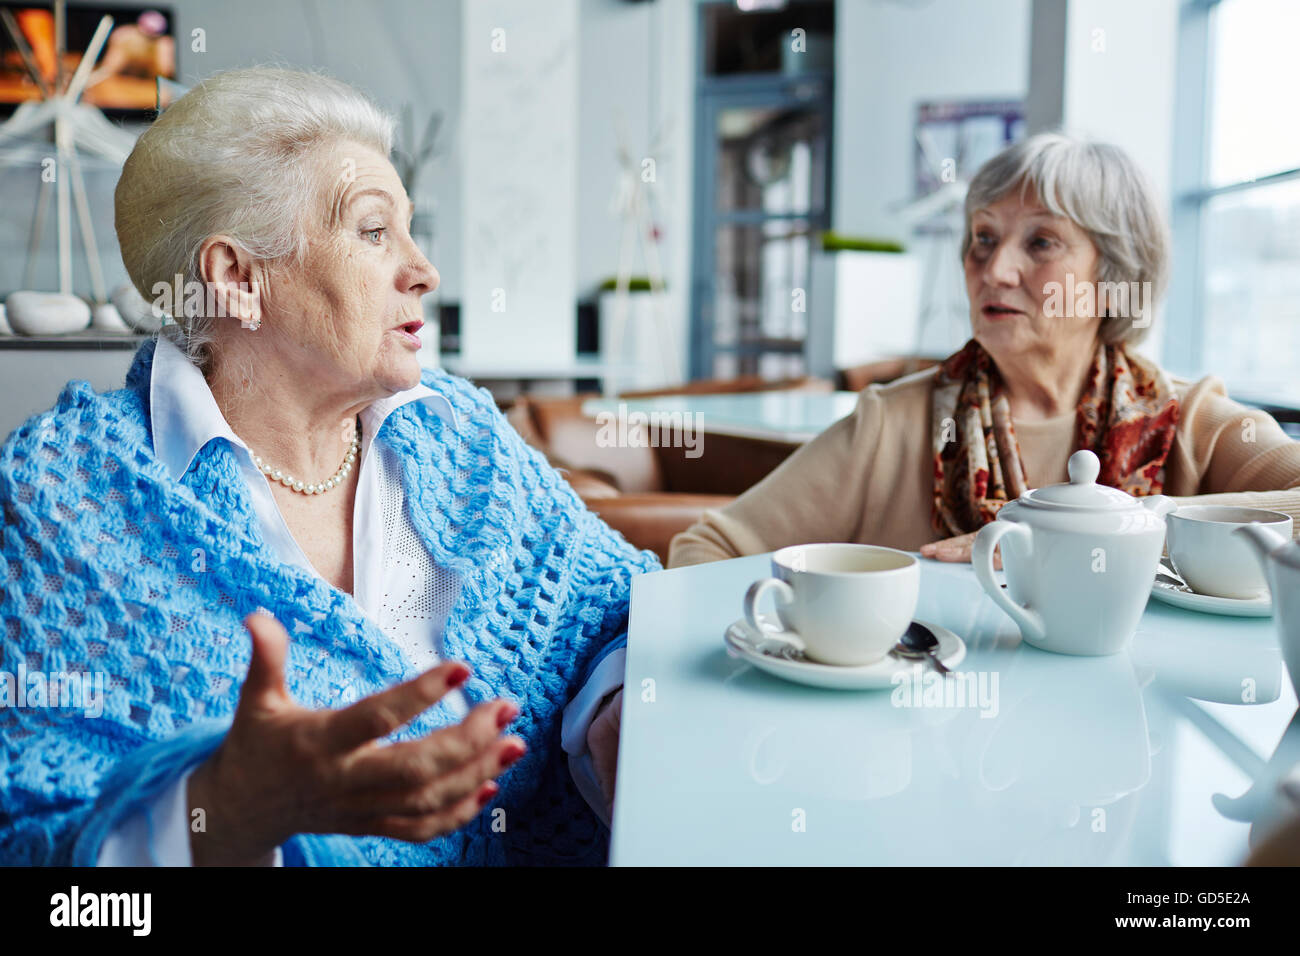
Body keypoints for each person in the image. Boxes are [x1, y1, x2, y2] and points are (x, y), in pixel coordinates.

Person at [0, 67, 657, 866]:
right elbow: (35, 841)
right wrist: (227, 807)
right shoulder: (63, 491)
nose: (423, 270)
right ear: (239, 279)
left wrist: (616, 704)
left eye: (408, 231)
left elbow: (612, 616)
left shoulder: (457, 428)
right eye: (374, 232)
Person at [669, 133, 1300, 569]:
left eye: (1041, 242)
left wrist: (1109, 531)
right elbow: (704, 551)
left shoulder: (1189, 423)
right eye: (982, 237)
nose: (994, 269)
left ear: (1113, 277)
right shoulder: (893, 424)